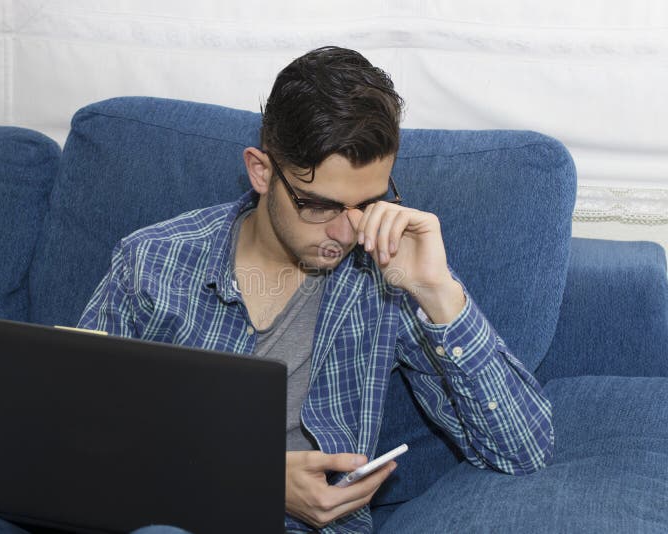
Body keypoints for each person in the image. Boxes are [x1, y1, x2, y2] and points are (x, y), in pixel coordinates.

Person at [78, 46, 554, 533]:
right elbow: (77, 440)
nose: (347, 234)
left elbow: (522, 450)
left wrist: (437, 294)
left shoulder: (387, 276)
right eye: (320, 206)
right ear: (261, 171)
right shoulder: (153, 262)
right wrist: (251, 477)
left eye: (368, 203)